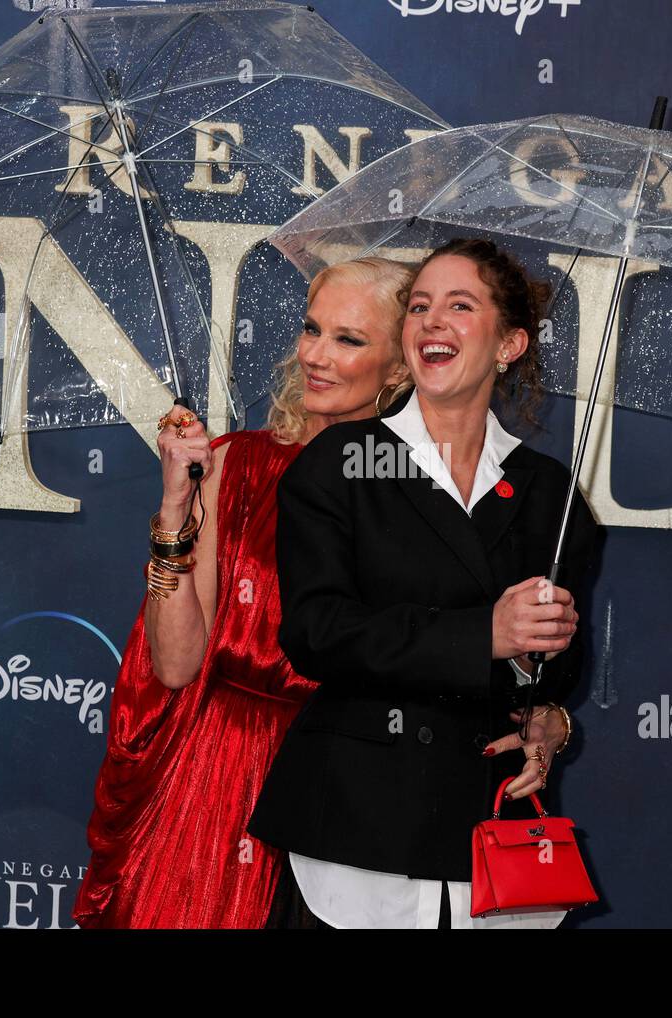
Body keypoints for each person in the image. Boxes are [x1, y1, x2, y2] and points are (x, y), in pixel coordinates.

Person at [247, 237, 602, 929]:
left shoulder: (548, 491)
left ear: (509, 344)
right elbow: (316, 635)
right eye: (419, 307)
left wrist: (548, 717)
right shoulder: (341, 462)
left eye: (459, 306)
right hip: (358, 831)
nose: (431, 322)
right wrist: (484, 634)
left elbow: (559, 662)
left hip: (488, 832)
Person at [72, 257, 425, 928]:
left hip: (337, 792)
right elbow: (175, 664)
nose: (316, 356)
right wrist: (176, 508)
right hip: (208, 784)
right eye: (311, 328)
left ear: (402, 369)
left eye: (349, 340)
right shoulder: (236, 463)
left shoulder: (418, 502)